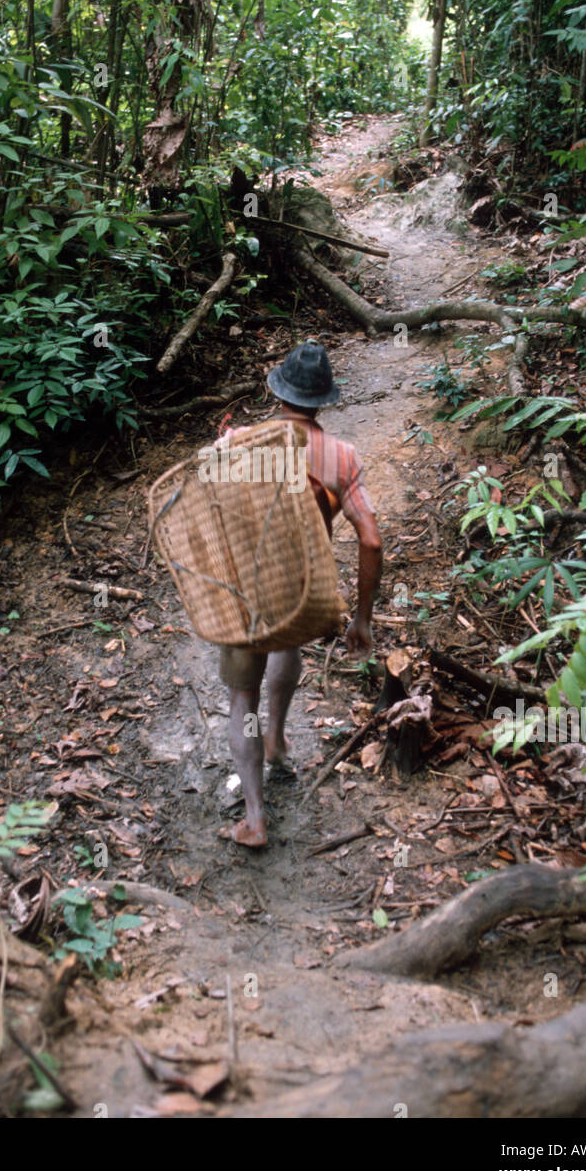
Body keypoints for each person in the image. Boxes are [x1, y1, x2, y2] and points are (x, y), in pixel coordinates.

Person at [218, 341, 383, 848]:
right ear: (323, 401)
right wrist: (361, 618)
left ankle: (254, 817)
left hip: (247, 590)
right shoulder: (342, 457)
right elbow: (371, 539)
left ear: (278, 391)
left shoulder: (241, 441)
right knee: (288, 646)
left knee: (242, 694)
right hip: (302, 589)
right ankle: (277, 741)